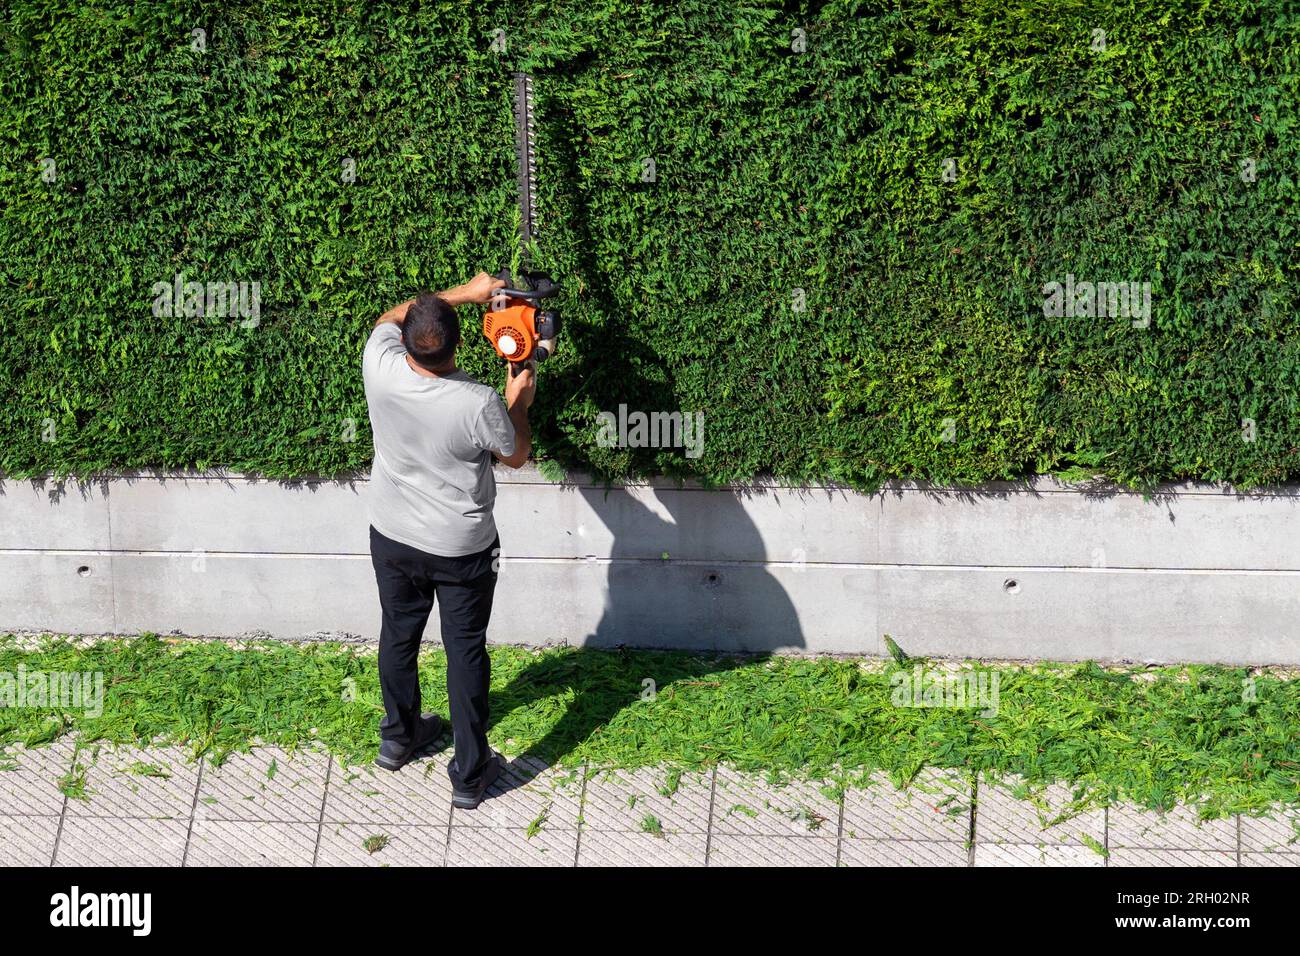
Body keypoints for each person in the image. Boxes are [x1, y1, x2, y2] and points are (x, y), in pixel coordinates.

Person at [361, 271, 535, 809]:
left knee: (398, 635)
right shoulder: (479, 401)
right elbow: (516, 454)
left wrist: (464, 291)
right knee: (463, 652)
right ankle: (469, 772)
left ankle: (399, 736)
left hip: (391, 534)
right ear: (462, 344)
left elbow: (388, 319)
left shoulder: (380, 365)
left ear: (408, 342)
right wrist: (520, 398)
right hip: (461, 548)